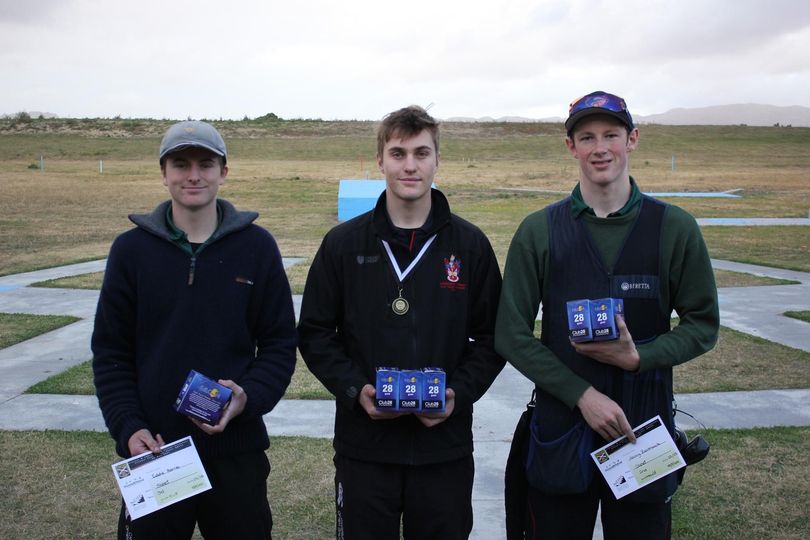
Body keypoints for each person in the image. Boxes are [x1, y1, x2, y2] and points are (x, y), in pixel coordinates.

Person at [495, 91, 719, 539]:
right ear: (571, 146)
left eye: (611, 135)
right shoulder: (539, 230)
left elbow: (702, 325)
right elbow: (510, 334)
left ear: (632, 139)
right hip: (562, 428)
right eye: (587, 136)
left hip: (644, 432)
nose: (600, 148)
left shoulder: (674, 228)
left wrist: (641, 358)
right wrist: (581, 394)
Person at [297, 105, 504, 540]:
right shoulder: (342, 244)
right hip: (364, 448)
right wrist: (356, 391)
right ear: (380, 160)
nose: (410, 165)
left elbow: (492, 338)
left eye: (421, 153)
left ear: (436, 160)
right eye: (398, 153)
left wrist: (457, 393)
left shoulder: (469, 245)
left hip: (443, 448)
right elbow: (315, 333)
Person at [92, 120, 297, 540]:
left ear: (224, 171)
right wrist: (130, 427)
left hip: (236, 451)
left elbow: (279, 345)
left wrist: (247, 398)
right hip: (156, 451)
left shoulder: (257, 247)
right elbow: (112, 354)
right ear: (163, 172)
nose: (193, 175)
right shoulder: (130, 251)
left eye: (206, 163)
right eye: (180, 164)